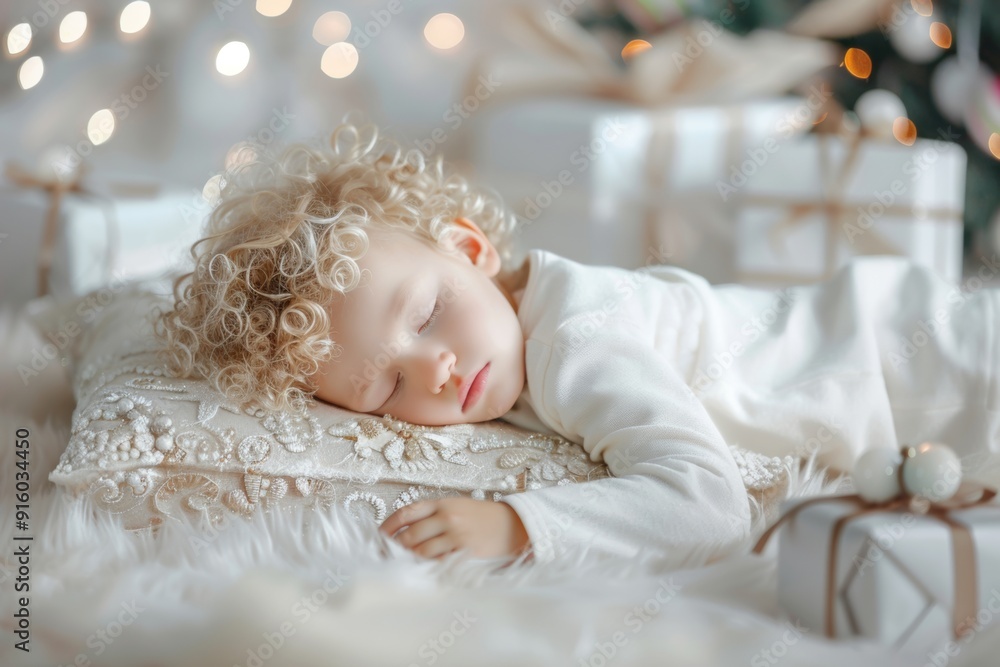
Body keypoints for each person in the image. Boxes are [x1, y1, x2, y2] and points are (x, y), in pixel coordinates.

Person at [154, 121, 1000, 569]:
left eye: (426, 314)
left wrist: (516, 526)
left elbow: (705, 507)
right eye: (383, 390)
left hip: (944, 367)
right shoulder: (520, 331)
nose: (436, 372)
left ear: (472, 250)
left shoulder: (576, 337)